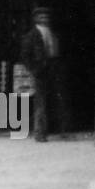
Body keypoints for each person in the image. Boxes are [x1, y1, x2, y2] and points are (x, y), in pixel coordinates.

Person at [19, 7, 64, 142]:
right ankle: (40, 133)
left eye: (46, 17)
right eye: (42, 17)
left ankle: (54, 130)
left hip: (52, 69)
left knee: (52, 100)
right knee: (40, 103)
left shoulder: (51, 33)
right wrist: (34, 69)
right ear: (36, 19)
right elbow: (25, 55)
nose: (45, 19)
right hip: (41, 71)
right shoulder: (32, 35)